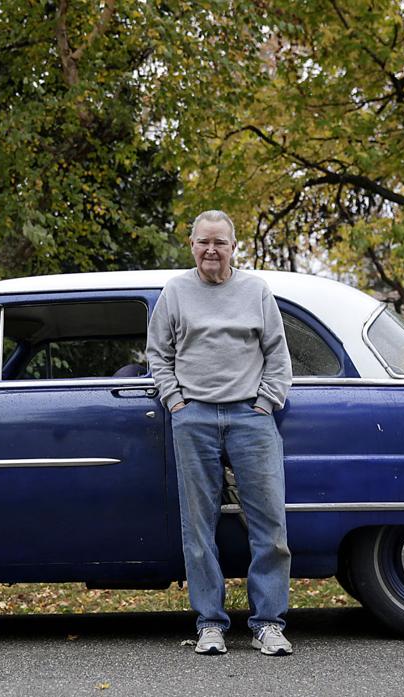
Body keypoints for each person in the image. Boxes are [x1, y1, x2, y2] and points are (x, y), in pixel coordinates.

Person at [146, 210, 294, 656]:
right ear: (191, 244)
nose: (211, 250)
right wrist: (176, 402)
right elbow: (158, 354)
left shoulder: (255, 290)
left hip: (252, 417)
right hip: (193, 418)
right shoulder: (175, 291)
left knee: (270, 525)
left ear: (234, 246)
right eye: (203, 242)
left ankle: (268, 623)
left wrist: (266, 402)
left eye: (220, 243)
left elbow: (278, 354)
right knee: (198, 526)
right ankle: (210, 623)